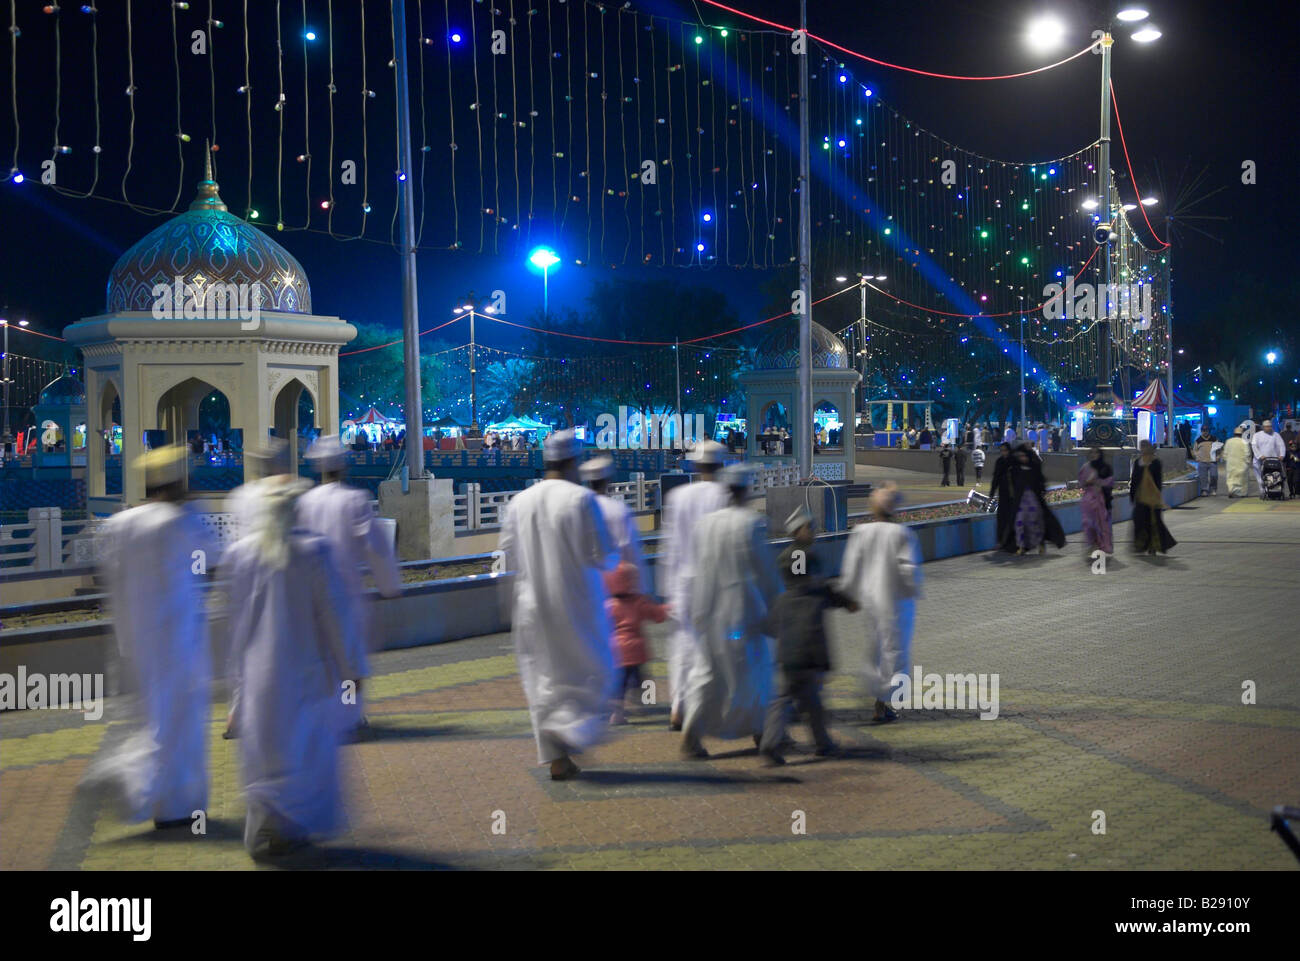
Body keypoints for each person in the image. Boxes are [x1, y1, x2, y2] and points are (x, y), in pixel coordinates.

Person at [225, 478, 361, 859]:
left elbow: (236, 628)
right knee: (304, 756)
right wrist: (350, 669)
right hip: (304, 677)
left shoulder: (242, 554)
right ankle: (291, 831)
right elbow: (335, 618)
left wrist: (236, 691)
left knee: (266, 760)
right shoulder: (314, 551)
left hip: (258, 681)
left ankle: (264, 833)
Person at [81, 446, 212, 830]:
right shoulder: (180, 522)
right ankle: (141, 787)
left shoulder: (123, 523)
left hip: (133, 643)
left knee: (154, 722)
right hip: (177, 640)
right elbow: (210, 558)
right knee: (179, 726)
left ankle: (158, 801)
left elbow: (109, 577)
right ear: (178, 484)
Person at [499, 429, 619, 781]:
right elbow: (605, 556)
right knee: (593, 669)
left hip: (531, 605)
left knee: (542, 680)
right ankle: (575, 730)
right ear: (573, 462)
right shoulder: (583, 500)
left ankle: (557, 759)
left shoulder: (520, 501)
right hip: (577, 603)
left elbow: (505, 554)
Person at [297, 434, 403, 735]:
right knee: (351, 661)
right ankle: (349, 717)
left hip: (310, 597)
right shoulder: (354, 501)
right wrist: (389, 586)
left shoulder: (303, 502)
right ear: (343, 466)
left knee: (323, 659)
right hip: (344, 593)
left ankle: (325, 716)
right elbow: (377, 549)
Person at [680, 463, 783, 759]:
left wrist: (698, 615)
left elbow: (700, 569)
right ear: (746, 490)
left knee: (709, 677)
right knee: (755, 673)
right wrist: (777, 603)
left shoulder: (706, 524)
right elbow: (765, 572)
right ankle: (763, 735)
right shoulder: (751, 523)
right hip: (743, 616)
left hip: (709, 615)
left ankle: (692, 735)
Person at [757, 509, 857, 766]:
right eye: (808, 527)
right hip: (806, 652)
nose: (812, 531)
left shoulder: (785, 597)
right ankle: (771, 745)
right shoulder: (810, 586)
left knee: (807, 699)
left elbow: (769, 626)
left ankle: (821, 743)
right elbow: (825, 590)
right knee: (791, 699)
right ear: (797, 531)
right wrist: (847, 601)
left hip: (791, 653)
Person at [659, 440, 730, 730]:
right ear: (721, 465)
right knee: (712, 648)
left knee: (683, 646)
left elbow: (671, 546)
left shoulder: (678, 496)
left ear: (696, 465)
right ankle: (710, 707)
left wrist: (667, 591)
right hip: (715, 583)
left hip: (683, 583)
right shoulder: (725, 496)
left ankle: (678, 705)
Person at [838, 484, 922, 724]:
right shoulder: (902, 534)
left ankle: (875, 693)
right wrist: (913, 591)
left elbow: (851, 567)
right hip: (896, 602)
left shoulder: (861, 532)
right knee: (894, 651)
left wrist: (849, 596)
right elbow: (909, 571)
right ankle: (882, 703)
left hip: (870, 600)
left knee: (877, 647)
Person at [604, 560, 669, 725]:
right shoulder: (639, 602)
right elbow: (657, 615)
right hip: (637, 650)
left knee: (620, 684)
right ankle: (647, 703)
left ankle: (616, 714)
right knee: (645, 678)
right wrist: (667, 609)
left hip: (616, 652)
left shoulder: (609, 605)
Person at [581, 453, 650, 593]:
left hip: (588, 588)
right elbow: (631, 552)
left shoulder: (580, 510)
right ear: (608, 481)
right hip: (616, 588)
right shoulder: (619, 510)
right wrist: (642, 591)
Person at [1003, 444, 1066, 555]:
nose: (1023, 458)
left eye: (1024, 456)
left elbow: (1038, 467)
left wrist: (1030, 451)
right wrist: (1022, 447)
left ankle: (1040, 543)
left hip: (1034, 501)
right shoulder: (1016, 469)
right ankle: (1021, 546)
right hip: (1021, 502)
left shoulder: (1034, 468)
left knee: (1035, 524)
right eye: (1020, 456)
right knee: (1019, 522)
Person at [1130, 441, 1176, 555]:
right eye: (1141, 447)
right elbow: (1134, 480)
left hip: (1152, 498)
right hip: (1141, 497)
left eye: (1145, 447)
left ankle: (1154, 546)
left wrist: (1157, 496)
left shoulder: (1155, 462)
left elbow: (1158, 481)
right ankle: (1141, 545)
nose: (1143, 449)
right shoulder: (1138, 462)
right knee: (1139, 520)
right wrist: (1132, 495)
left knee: (1153, 522)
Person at [1078, 447, 1114, 558]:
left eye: (1096, 452)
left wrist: (1099, 482)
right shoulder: (1086, 467)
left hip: (1102, 500)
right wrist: (1088, 482)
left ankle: (1100, 546)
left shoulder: (1105, 467)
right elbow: (1081, 482)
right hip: (1089, 500)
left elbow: (1110, 481)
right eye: (1092, 453)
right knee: (1089, 523)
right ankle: (1092, 544)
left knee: (1101, 524)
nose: (1094, 455)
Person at [1250, 419, 1286, 496]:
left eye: (1270, 427)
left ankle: (1274, 491)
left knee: (1275, 476)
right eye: (1266, 427)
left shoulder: (1276, 435)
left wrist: (1282, 455)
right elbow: (1254, 446)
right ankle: (1262, 491)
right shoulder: (1257, 435)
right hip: (1260, 460)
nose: (1268, 428)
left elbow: (1281, 445)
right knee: (1260, 478)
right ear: (1263, 427)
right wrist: (1260, 456)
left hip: (1273, 460)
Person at [1223, 427, 1250, 497]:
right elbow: (1247, 453)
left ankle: (1231, 491)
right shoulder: (1244, 442)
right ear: (1241, 434)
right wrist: (1248, 462)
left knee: (1230, 479)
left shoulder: (1228, 441)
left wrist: (1226, 460)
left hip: (1230, 464)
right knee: (1242, 480)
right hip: (1242, 464)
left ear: (1234, 434)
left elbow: (1225, 453)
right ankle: (1242, 493)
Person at [1193, 426, 1216, 496]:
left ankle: (1212, 489)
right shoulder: (1198, 440)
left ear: (1208, 431)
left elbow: (1218, 448)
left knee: (1214, 475)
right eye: (1203, 430)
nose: (1205, 432)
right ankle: (1204, 490)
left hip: (1212, 461)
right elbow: (1195, 450)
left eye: (1206, 430)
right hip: (1202, 461)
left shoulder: (1214, 439)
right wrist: (1197, 457)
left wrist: (1218, 457)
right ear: (1201, 431)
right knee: (1203, 477)